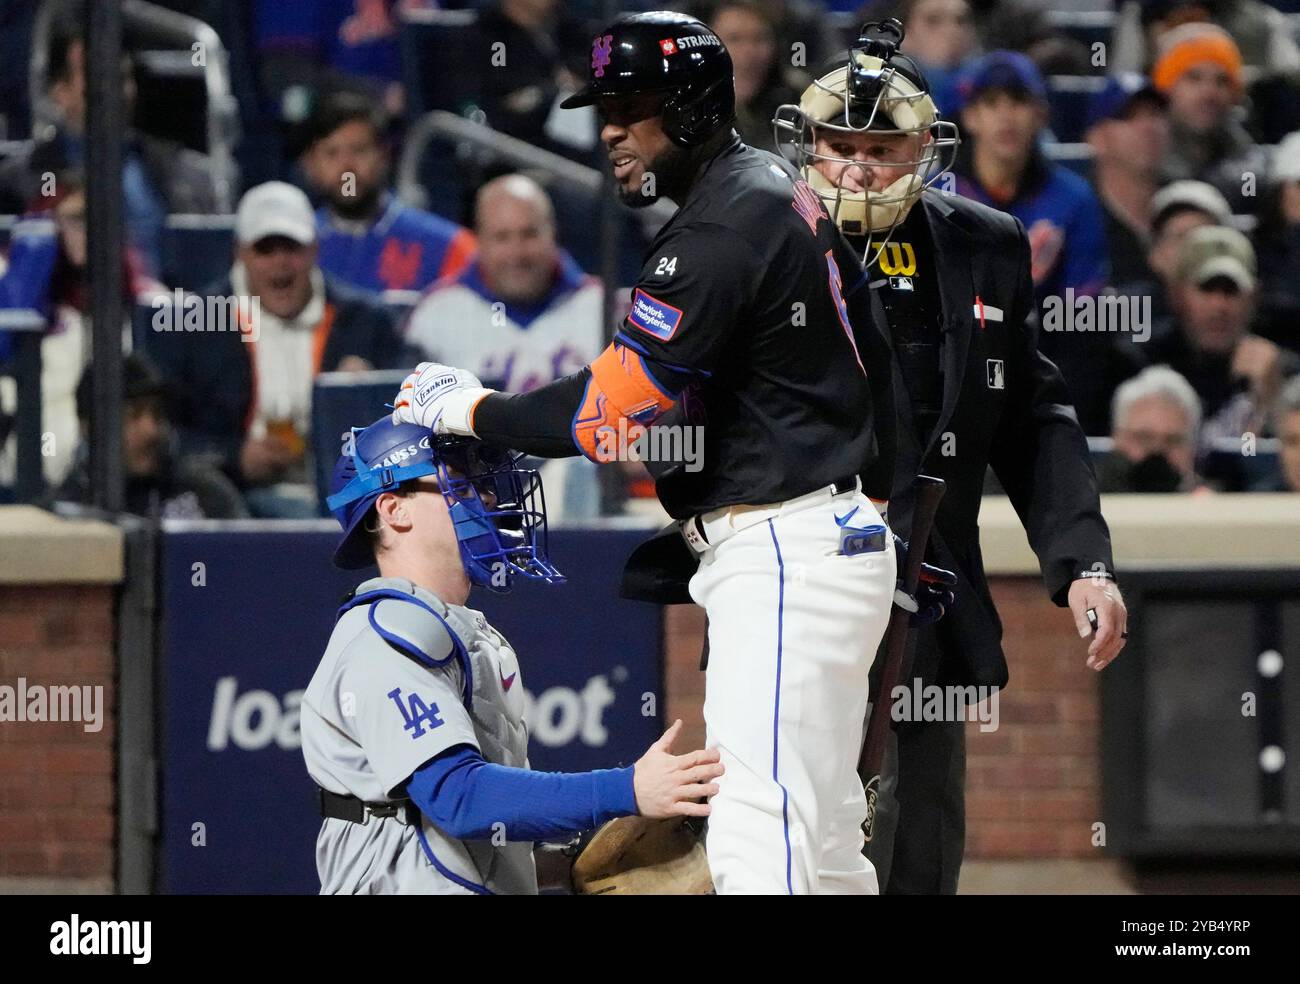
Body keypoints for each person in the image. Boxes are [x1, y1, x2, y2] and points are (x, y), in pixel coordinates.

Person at [382, 11, 910, 895]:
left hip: (785, 549)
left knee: (756, 844)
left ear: (696, 109)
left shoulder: (720, 229)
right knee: (823, 847)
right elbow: (879, 353)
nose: (611, 131)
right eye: (605, 109)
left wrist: (472, 408)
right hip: (824, 539)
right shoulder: (772, 187)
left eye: (633, 108)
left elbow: (605, 419)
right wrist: (873, 501)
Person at [775, 19, 1127, 894]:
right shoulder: (757, 241)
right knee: (793, 849)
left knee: (918, 852)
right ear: (805, 145)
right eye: (839, 145)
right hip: (792, 595)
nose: (858, 166)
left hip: (930, 594)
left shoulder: (986, 243)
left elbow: (1032, 414)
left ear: (925, 148)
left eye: (881, 146)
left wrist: (1083, 561)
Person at [302, 414, 724, 893]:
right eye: (457, 483)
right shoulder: (386, 638)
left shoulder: (465, 633)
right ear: (394, 509)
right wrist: (625, 790)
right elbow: (458, 798)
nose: (485, 498)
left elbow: (467, 830)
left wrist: (566, 865)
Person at [147, 181, 408, 518]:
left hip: (346, 494)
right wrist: (234, 457)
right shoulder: (192, 324)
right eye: (265, 249)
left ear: (314, 249)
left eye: (292, 248)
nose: (280, 262)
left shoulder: (366, 322)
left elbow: (408, 415)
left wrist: (365, 397)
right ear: (240, 253)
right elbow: (161, 433)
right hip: (230, 499)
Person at [952, 50, 1112, 433]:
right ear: (970, 117)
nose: (1006, 116)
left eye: (1019, 102)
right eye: (992, 103)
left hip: (1043, 353)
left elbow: (1081, 311)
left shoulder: (1074, 199)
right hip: (954, 352)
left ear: (1040, 114)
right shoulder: (940, 193)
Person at [0, 12, 223, 277]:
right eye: (97, 74)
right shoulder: (15, 184)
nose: (113, 88)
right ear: (60, 91)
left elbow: (210, 275)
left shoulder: (187, 176)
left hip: (165, 314)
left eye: (122, 76)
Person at [301, 91, 476, 296]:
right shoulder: (291, 250)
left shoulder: (449, 247)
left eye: (359, 150)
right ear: (311, 165)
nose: (346, 167)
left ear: (384, 156)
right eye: (332, 153)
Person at [1142, 224, 1298, 449]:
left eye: (1231, 290)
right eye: (1207, 288)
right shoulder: (1142, 363)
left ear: (1253, 298)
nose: (1219, 305)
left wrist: (1270, 403)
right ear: (1177, 294)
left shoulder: (1282, 373)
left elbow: (1269, 471)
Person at [46, 355, 247, 519]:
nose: (151, 431)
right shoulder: (66, 511)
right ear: (87, 427)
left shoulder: (204, 491)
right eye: (132, 415)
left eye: (158, 414)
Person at [1152, 21, 1267, 213]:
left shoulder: (1250, 167)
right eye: (1193, 78)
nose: (1209, 93)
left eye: (1222, 81)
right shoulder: (1142, 163)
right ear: (1166, 88)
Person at [1085, 74, 1171, 293]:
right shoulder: (1079, 216)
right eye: (1128, 117)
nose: (1147, 127)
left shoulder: (1185, 207)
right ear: (1097, 138)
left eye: (1155, 114)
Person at [1096, 364, 1209, 493]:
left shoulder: (1214, 508)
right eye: (1144, 438)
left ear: (1191, 448)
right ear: (1117, 438)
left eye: (1172, 441)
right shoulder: (1084, 505)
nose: (1157, 451)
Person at [1145, 179, 1233, 327]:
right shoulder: (1129, 316)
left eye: (1201, 236)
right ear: (1155, 254)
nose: (1191, 248)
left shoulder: (1242, 310)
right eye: (1180, 237)